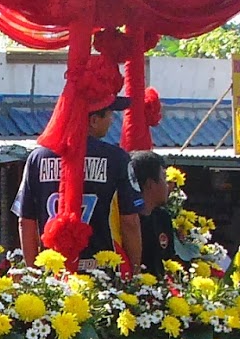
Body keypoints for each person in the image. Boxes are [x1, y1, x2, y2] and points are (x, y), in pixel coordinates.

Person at [13, 92, 142, 270]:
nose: (112, 121)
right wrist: (135, 271)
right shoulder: (117, 158)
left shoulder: (37, 158)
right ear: (94, 120)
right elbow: (130, 222)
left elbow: (25, 221)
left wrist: (33, 272)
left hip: (52, 272)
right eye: (110, 114)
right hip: (100, 270)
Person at [128, 150, 175, 275]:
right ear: (150, 184)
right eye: (164, 178)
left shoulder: (162, 218)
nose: (168, 186)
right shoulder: (127, 219)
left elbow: (170, 261)